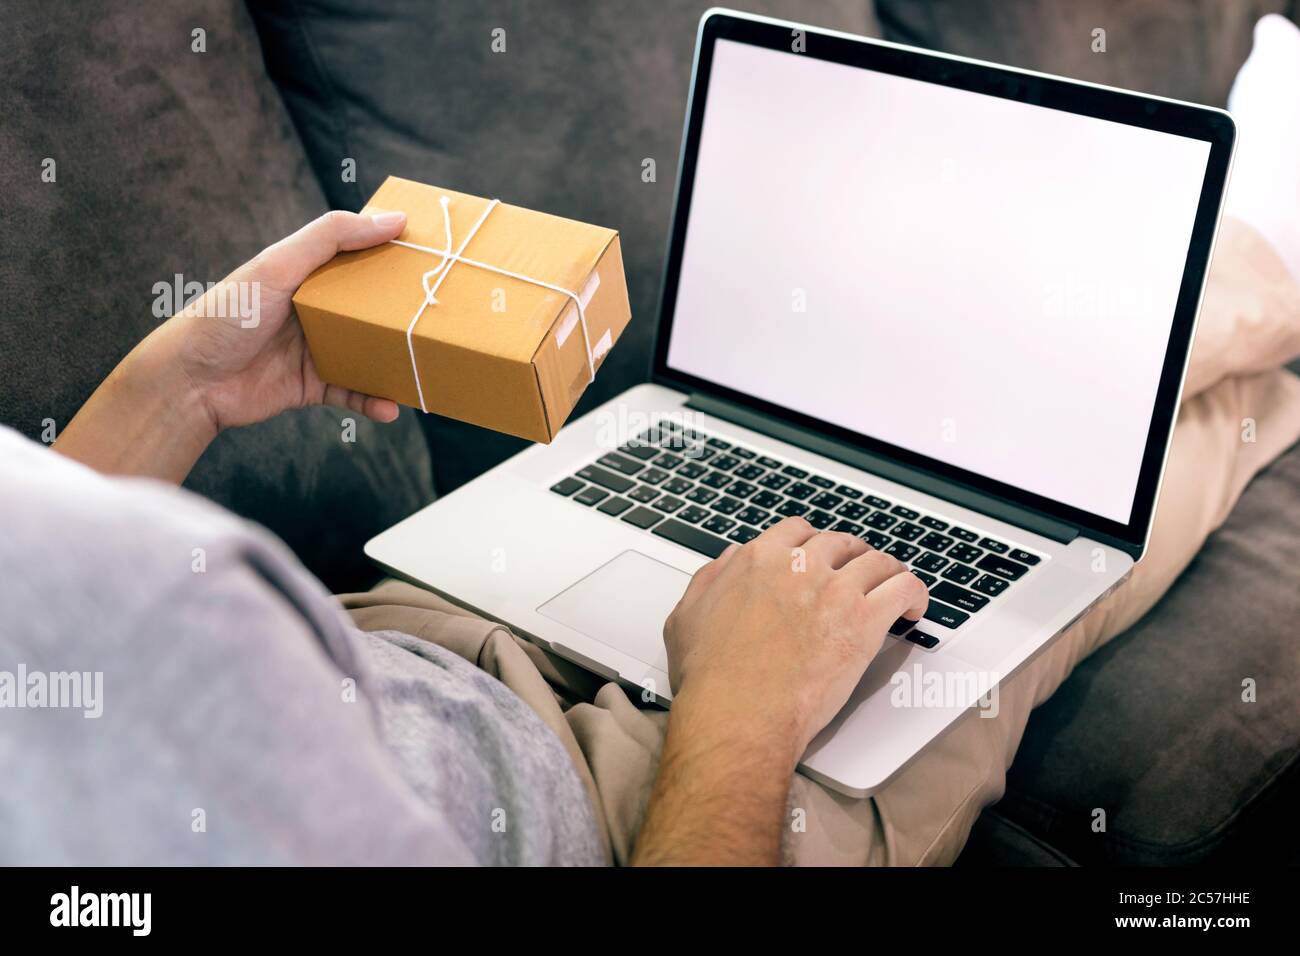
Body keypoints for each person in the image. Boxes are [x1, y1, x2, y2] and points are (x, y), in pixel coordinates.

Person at [4, 198, 1298, 865]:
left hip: (394, 647)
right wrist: (742, 708)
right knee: (1107, 483)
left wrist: (181, 390)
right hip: (665, 806)